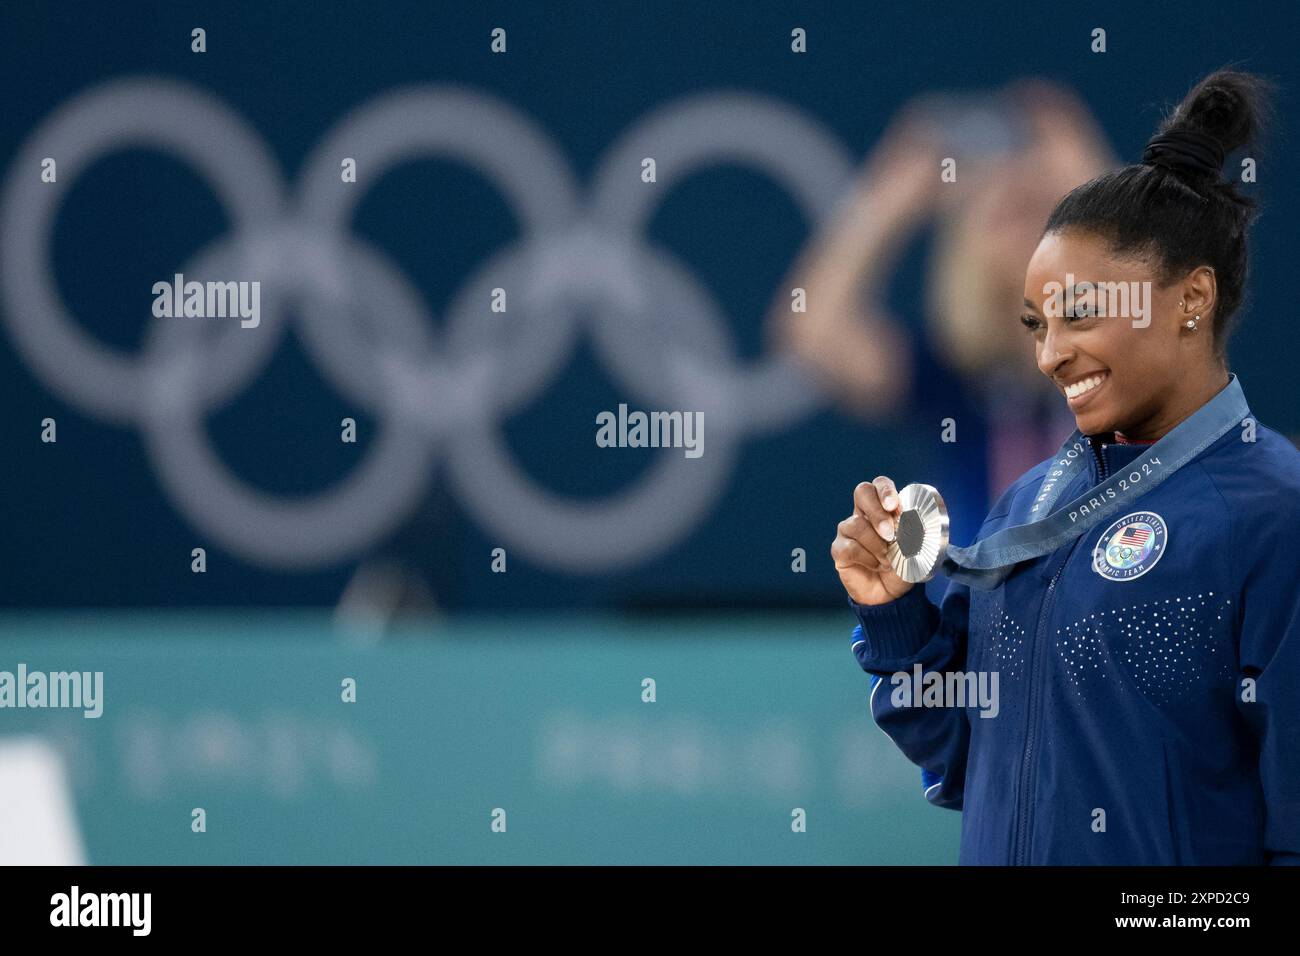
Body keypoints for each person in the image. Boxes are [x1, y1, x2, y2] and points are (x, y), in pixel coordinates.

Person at [831, 68, 1300, 864]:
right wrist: (898, 617)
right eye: (1035, 323)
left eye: (1079, 313)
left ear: (1192, 300)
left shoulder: (1274, 513)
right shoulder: (1029, 509)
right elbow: (966, 758)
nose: (1049, 354)